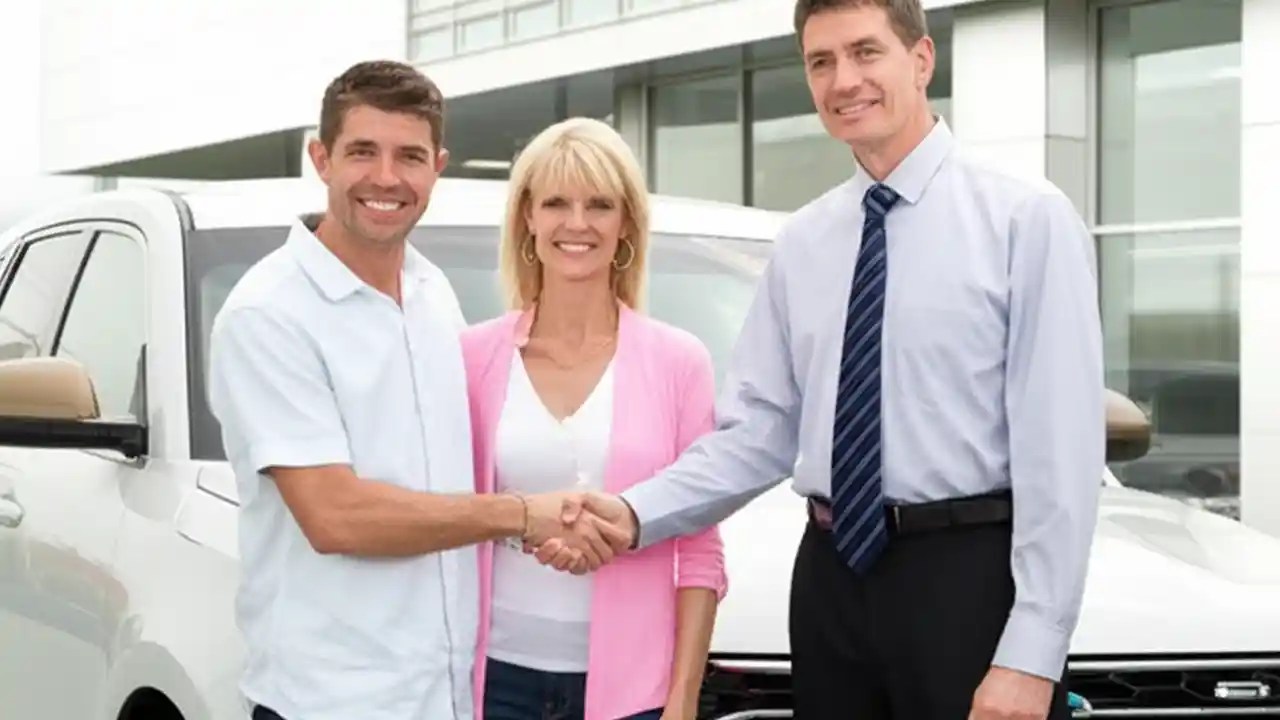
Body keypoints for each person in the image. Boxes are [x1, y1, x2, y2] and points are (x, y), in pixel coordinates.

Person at [545, 0, 1106, 718]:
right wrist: (632, 511)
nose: (844, 80)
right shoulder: (805, 242)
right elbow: (759, 432)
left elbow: (1059, 450)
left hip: (967, 579)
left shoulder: (1026, 219)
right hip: (831, 581)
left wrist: (1033, 653)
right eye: (821, 61)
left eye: (866, 52)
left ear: (922, 59)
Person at [207, 61, 617, 720]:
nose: (387, 178)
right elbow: (334, 516)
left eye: (410, 156)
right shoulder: (270, 313)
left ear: (439, 166)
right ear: (321, 157)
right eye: (363, 152)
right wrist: (520, 514)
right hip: (331, 704)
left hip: (449, 696)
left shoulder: (431, 293)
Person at [459, 116, 728, 720]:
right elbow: (449, 516)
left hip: (635, 696)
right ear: (528, 217)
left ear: (627, 221)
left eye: (599, 205)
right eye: (555, 202)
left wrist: (682, 700)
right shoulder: (471, 357)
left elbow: (701, 548)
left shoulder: (679, 361)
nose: (576, 224)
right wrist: (525, 524)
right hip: (494, 684)